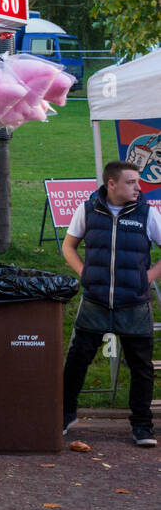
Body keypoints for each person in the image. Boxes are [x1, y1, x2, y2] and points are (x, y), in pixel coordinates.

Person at [61, 161, 161, 447]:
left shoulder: (147, 213)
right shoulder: (88, 210)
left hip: (134, 304)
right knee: (77, 360)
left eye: (138, 182)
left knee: (141, 367)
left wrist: (147, 278)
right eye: (131, 182)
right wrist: (85, 273)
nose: (138, 187)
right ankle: (65, 415)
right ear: (112, 184)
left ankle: (142, 426)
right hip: (95, 302)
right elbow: (68, 246)